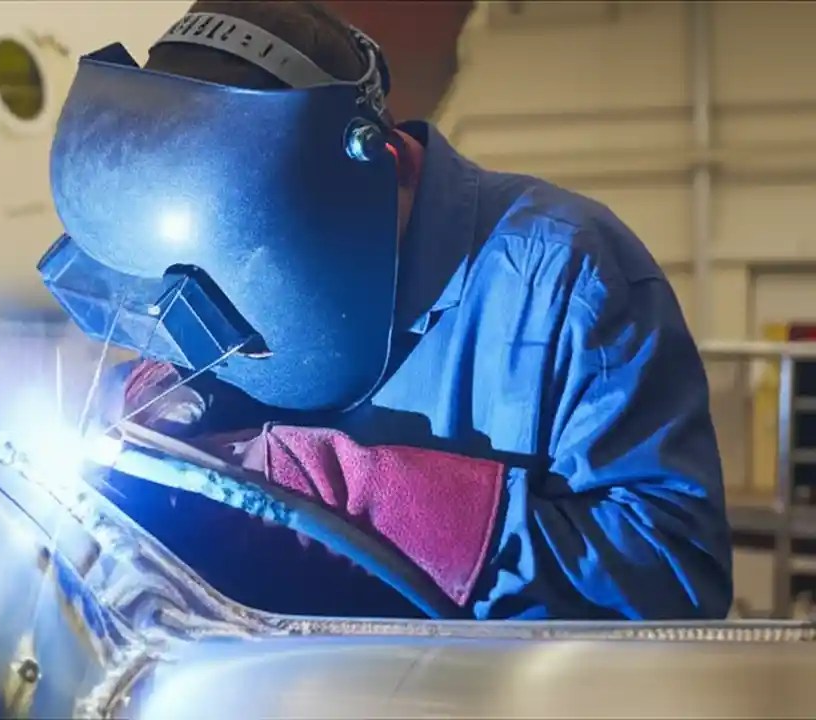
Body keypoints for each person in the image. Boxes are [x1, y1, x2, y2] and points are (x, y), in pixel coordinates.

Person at [38, 0, 733, 620]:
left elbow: (675, 575)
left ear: (390, 165)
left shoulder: (567, 277)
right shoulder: (222, 227)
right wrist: (152, 400)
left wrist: (366, 495)